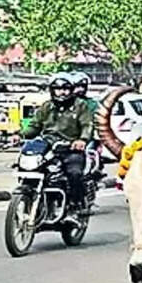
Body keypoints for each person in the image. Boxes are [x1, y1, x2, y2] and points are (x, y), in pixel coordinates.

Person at [22, 73, 95, 216]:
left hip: (71, 148)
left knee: (74, 173)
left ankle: (77, 206)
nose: (62, 92)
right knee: (30, 168)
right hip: (48, 147)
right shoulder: (46, 107)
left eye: (66, 89)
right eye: (58, 89)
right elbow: (34, 126)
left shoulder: (81, 106)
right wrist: (19, 134)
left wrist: (82, 140)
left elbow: (87, 125)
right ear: (52, 90)